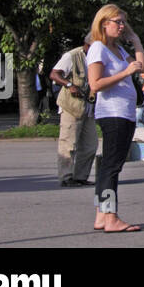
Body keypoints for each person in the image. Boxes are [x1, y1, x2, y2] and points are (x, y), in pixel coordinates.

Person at [86, 3, 144, 232]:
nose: (122, 26)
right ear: (104, 23)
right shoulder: (98, 48)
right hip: (113, 113)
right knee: (112, 166)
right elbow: (95, 84)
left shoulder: (119, 50)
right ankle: (110, 216)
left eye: (123, 22)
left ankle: (101, 214)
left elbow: (142, 69)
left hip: (125, 112)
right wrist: (125, 73)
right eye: (117, 22)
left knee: (110, 166)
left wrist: (136, 41)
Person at [51, 36, 96, 187]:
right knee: (69, 144)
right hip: (71, 106)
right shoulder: (72, 56)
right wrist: (69, 84)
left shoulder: (97, 58)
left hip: (88, 108)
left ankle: (80, 177)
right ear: (87, 44)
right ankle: (66, 177)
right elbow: (54, 74)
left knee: (91, 145)